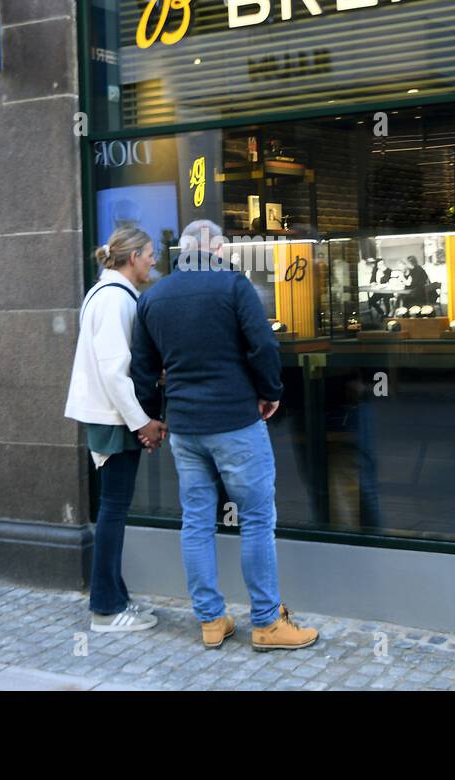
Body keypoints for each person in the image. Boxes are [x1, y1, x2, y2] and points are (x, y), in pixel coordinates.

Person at [131, 219, 319, 652]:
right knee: (255, 518)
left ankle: (212, 621)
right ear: (214, 246)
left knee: (196, 521)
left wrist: (153, 416)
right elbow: (263, 346)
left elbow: (142, 367)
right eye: (224, 247)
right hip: (235, 421)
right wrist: (270, 392)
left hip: (185, 428)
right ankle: (268, 624)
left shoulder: (154, 297)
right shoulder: (233, 286)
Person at [64, 227, 167, 633]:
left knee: (113, 508)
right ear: (132, 257)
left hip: (114, 416)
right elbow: (113, 371)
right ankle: (106, 608)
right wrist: (142, 421)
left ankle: (115, 599)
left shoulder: (108, 294)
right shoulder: (113, 299)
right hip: (114, 417)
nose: (153, 261)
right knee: (112, 510)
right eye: (149, 254)